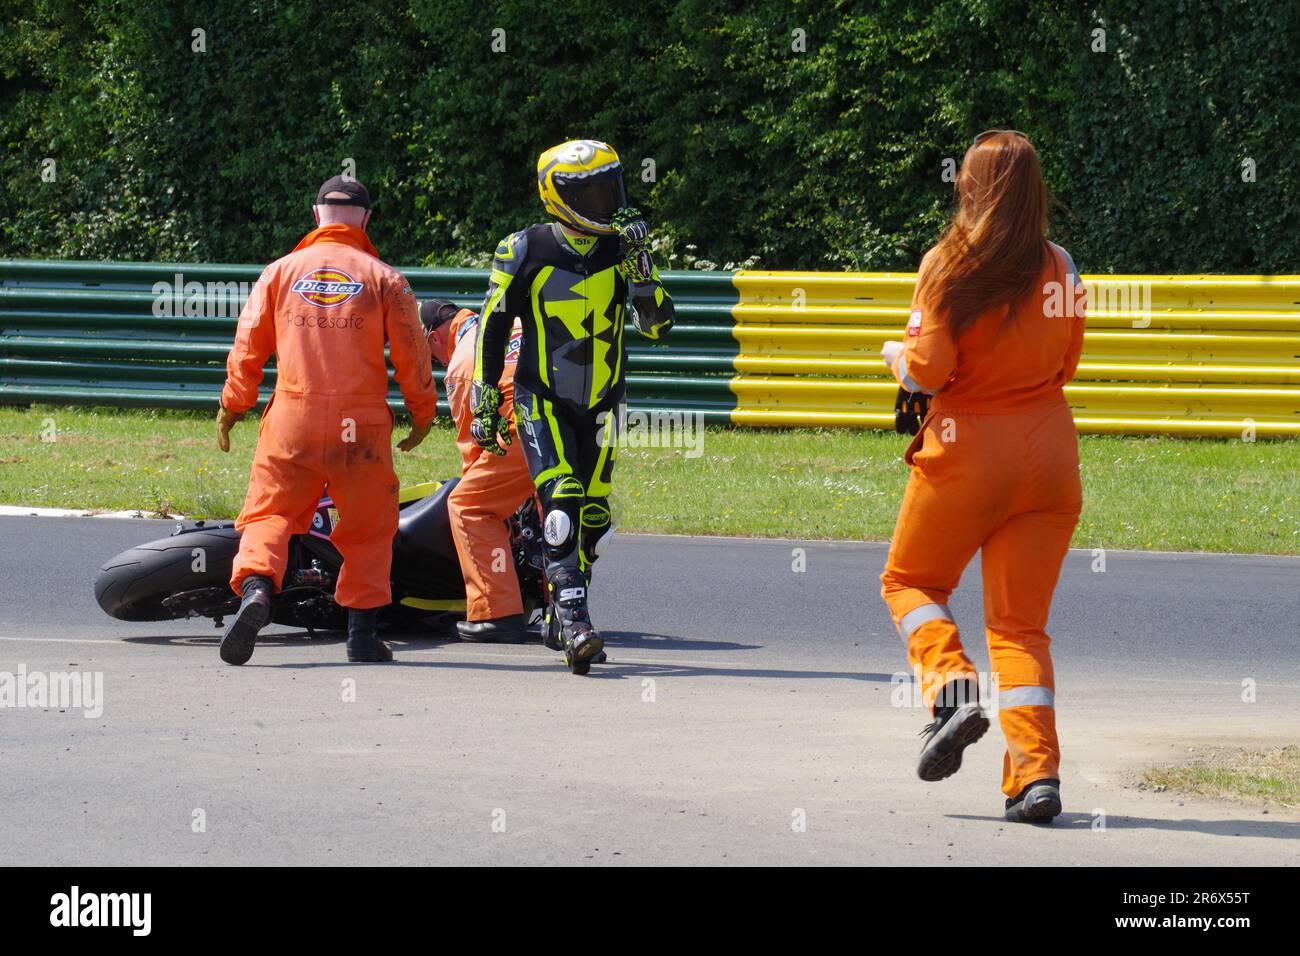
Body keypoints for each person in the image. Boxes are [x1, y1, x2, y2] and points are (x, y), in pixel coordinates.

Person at [878, 130, 1086, 824]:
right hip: (1049, 455)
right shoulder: (1062, 266)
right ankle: (1035, 779)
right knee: (1021, 628)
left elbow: (928, 371)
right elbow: (1067, 366)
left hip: (966, 451)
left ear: (969, 186)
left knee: (910, 582)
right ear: (1035, 190)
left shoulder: (947, 264)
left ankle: (952, 690)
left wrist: (893, 356)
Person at [469, 139, 674, 673]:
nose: (606, 203)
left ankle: (561, 614)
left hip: (605, 403)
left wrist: (644, 269)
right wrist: (486, 392)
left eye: (611, 188)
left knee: (595, 515)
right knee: (561, 497)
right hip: (542, 399)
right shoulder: (522, 248)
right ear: (556, 196)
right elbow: (493, 324)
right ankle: (574, 615)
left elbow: (658, 326)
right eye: (591, 193)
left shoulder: (623, 248)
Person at [216, 174, 438, 665]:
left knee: (269, 514)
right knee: (367, 528)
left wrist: (233, 405)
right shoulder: (386, 279)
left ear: (316, 215)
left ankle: (256, 590)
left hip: (291, 420)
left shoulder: (279, 272)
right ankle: (361, 634)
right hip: (360, 427)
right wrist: (423, 415)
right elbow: (413, 358)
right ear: (366, 220)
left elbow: (248, 347)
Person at [421, 299, 533, 643]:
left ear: (434, 339)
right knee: (551, 510)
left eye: (431, 357)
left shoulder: (461, 361)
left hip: (525, 431)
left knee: (469, 506)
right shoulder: (510, 323)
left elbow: (475, 448)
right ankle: (565, 611)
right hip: (573, 426)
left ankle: (497, 613)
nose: (436, 364)